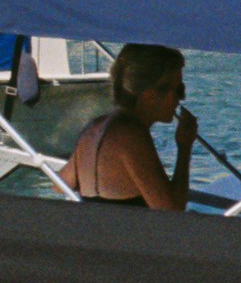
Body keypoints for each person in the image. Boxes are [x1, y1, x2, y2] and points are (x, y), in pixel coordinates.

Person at [60, 43, 198, 209]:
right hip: (124, 233)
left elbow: (62, 183)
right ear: (150, 95)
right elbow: (171, 211)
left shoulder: (96, 127)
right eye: (179, 90)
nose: (181, 99)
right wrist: (184, 148)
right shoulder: (130, 136)